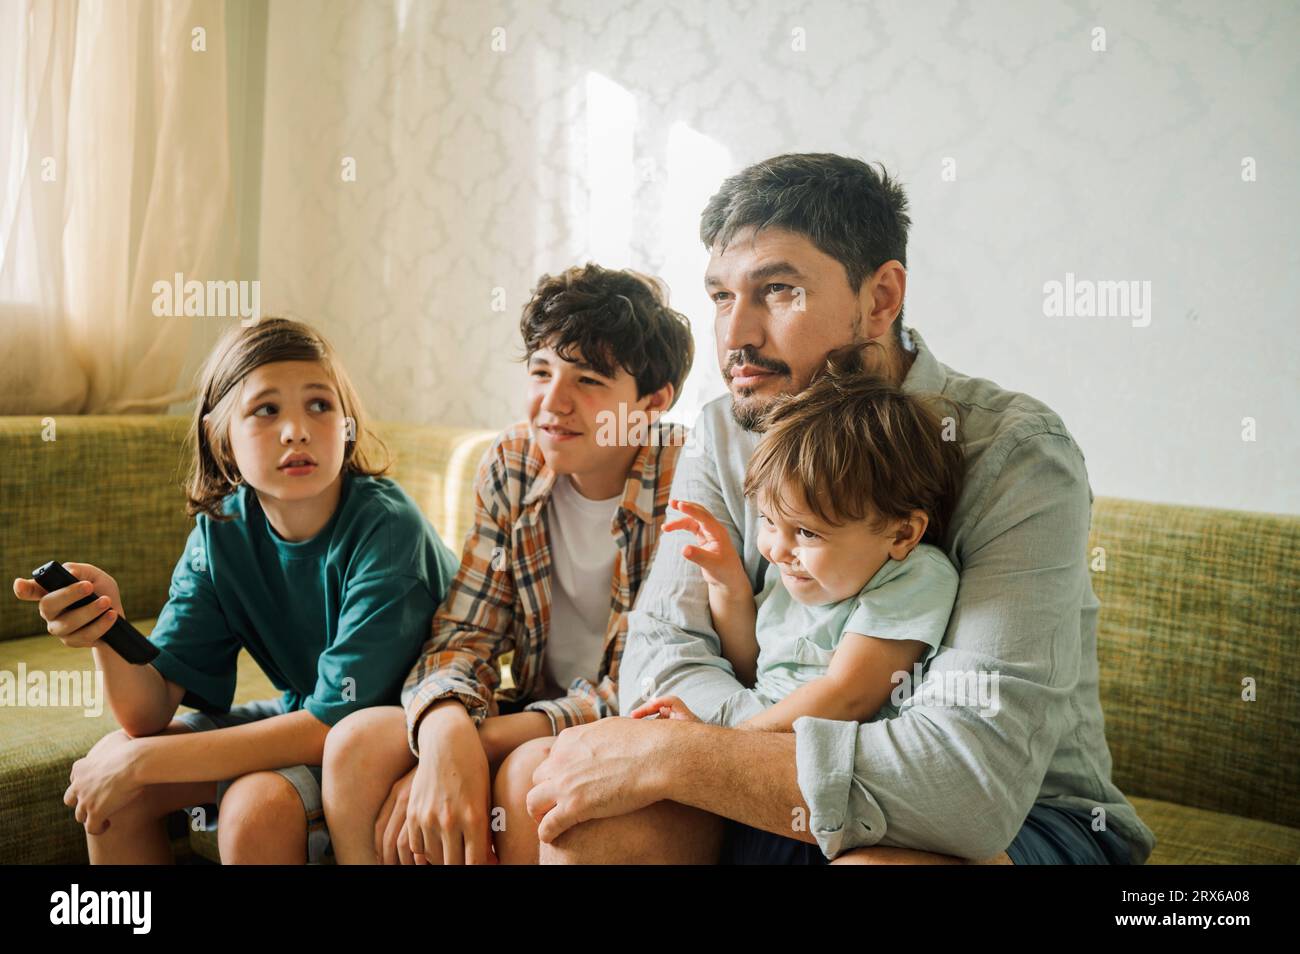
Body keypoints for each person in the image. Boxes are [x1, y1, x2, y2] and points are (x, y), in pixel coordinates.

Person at [525, 153, 1156, 866]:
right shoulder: (726, 429)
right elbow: (660, 662)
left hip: (1032, 819)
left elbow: (965, 789)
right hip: (762, 777)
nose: (735, 337)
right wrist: (704, 752)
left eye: (779, 290)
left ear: (882, 297)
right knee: (590, 829)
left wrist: (686, 752)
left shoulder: (1015, 454)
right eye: (722, 297)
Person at [13, 317, 459, 864]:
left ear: (346, 425)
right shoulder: (221, 532)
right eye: (267, 410)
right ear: (219, 436)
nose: (296, 429)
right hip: (311, 720)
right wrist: (109, 630)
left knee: (253, 805)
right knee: (115, 782)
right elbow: (147, 715)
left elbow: (333, 723)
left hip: (390, 736)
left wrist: (148, 763)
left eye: (319, 405)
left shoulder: (388, 532)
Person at [321, 263, 693, 864]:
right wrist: (445, 732)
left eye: (589, 380)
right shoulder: (514, 463)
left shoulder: (683, 480)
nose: (553, 403)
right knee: (354, 744)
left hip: (636, 726)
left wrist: (473, 746)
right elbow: (465, 633)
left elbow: (645, 687)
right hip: (536, 708)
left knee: (524, 777)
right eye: (541, 371)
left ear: (652, 402)